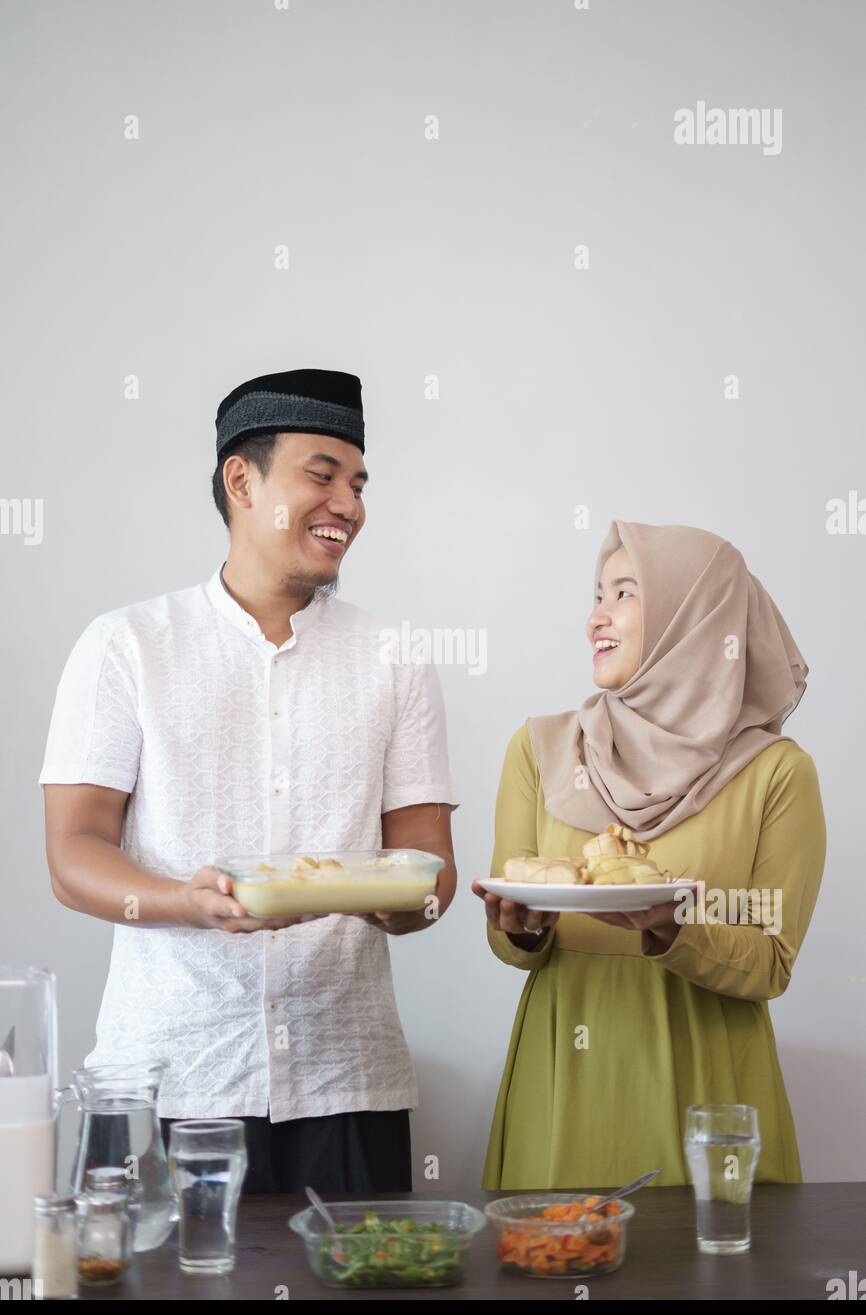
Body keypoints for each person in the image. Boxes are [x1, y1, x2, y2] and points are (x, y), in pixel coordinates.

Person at [40, 368, 458, 1194]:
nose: (350, 504)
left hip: (348, 1084)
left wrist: (398, 895)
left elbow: (429, 873)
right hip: (166, 1081)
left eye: (360, 482)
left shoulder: (396, 659)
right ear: (242, 480)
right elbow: (73, 853)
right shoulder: (126, 646)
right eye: (322, 475)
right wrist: (186, 901)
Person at [474, 519, 825, 1187]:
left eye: (625, 594)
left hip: (708, 1089)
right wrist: (517, 932)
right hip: (565, 1079)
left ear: (696, 617)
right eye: (596, 595)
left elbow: (772, 964)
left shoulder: (778, 773)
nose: (595, 620)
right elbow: (512, 941)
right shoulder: (538, 750)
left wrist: (674, 928)